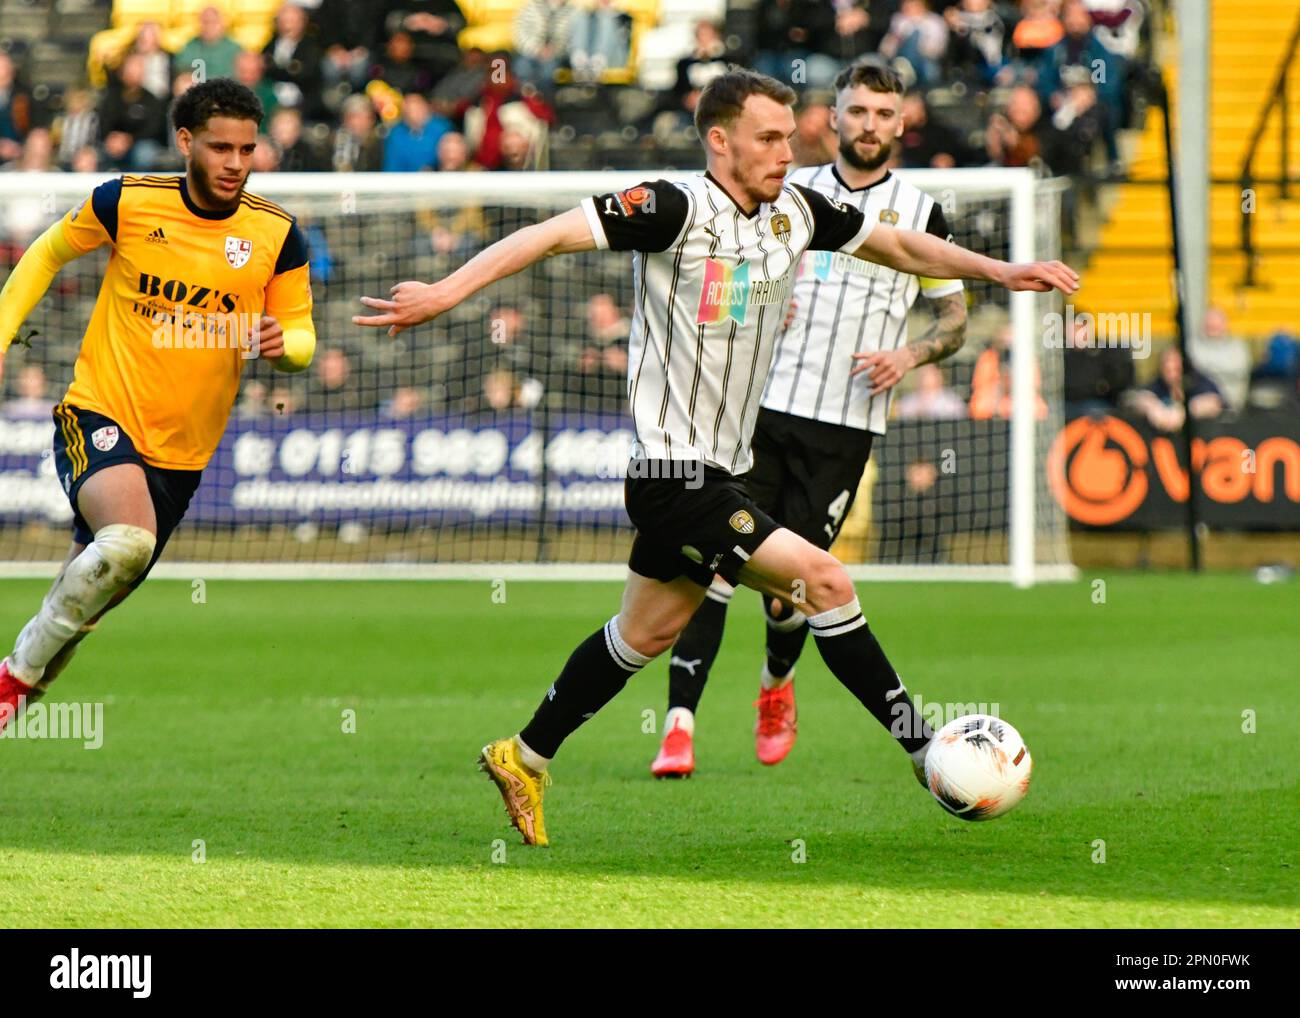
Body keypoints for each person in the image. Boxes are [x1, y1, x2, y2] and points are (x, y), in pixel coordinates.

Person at [354, 68, 1077, 846]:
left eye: (792, 136)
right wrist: (445, 293)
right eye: (770, 138)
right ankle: (923, 749)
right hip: (673, 474)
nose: (788, 151)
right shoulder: (673, 208)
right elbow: (548, 234)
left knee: (646, 633)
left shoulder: (794, 210)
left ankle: (523, 755)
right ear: (720, 140)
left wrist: (998, 271)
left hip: (717, 471)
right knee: (826, 583)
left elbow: (897, 241)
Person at [649, 61, 969, 779]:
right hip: (757, 413)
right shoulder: (788, 193)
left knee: (794, 591)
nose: (868, 126)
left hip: (847, 425)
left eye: (883, 115)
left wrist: (911, 353)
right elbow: (724, 290)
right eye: (857, 112)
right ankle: (678, 727)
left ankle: (774, 685)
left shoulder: (921, 214)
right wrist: (758, 301)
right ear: (834, 115)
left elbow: (954, 319)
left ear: (902, 121)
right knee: (716, 568)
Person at [0, 79, 316, 732]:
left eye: (247, 149)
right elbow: (47, 253)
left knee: (80, 613)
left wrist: (286, 347)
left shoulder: (277, 235)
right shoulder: (127, 202)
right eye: (221, 147)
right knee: (127, 540)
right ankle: (14, 679)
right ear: (186, 141)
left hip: (182, 458)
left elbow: (303, 339)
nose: (234, 163)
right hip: (100, 412)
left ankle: (16, 682)